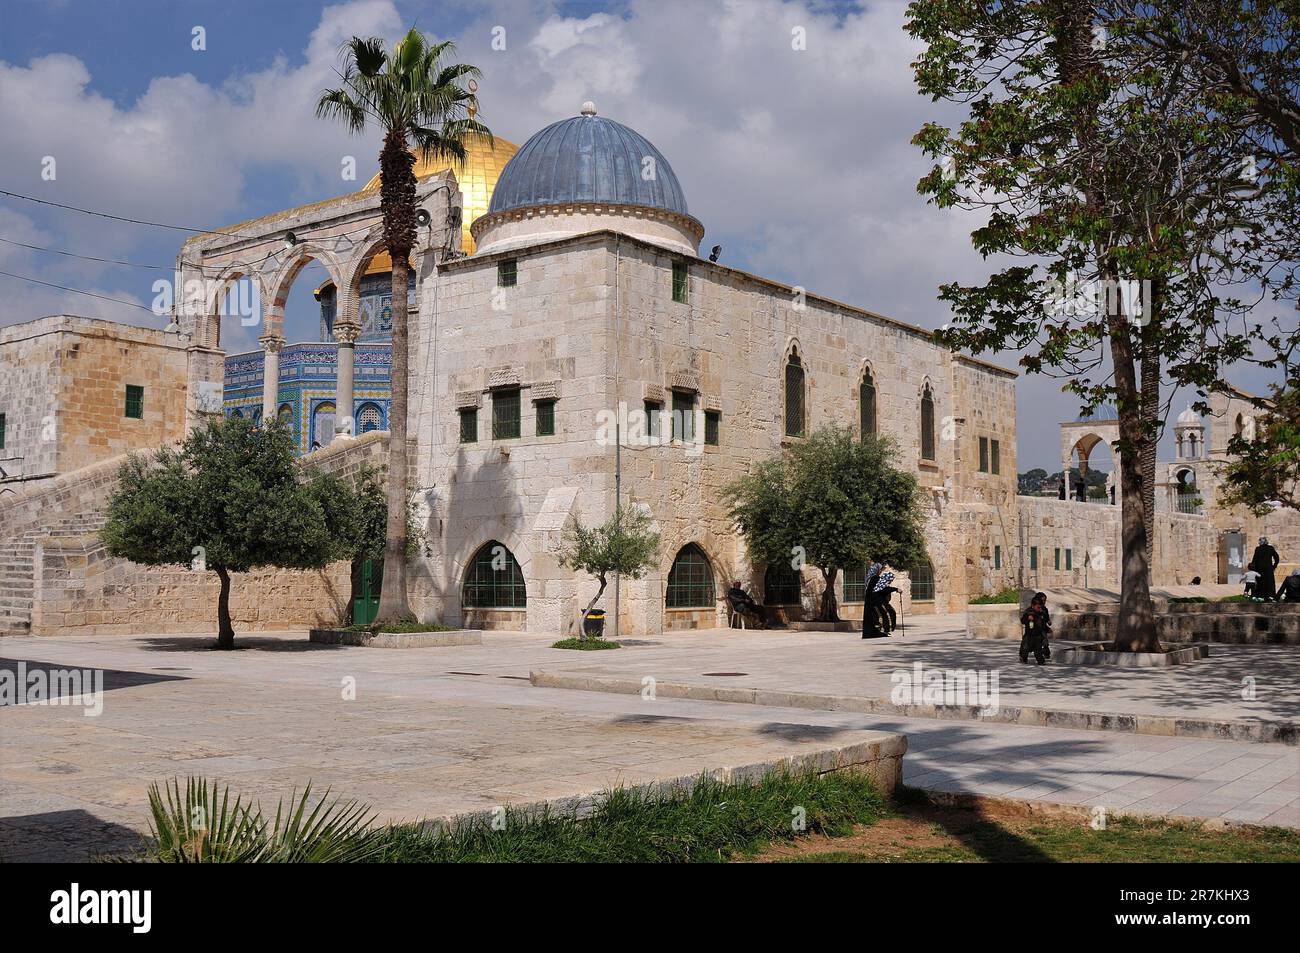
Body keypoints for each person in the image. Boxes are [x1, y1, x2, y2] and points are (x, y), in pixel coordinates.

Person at [1020, 591, 1051, 665]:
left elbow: (1042, 624)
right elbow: (1022, 620)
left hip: (1038, 635)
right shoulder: (1029, 612)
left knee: (1038, 650)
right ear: (1033, 606)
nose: (1040, 609)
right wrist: (1028, 618)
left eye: (1040, 607)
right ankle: (1023, 658)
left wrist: (1047, 629)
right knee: (1026, 648)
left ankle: (1041, 660)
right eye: (1038, 607)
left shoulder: (1042, 612)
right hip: (1029, 635)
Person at [861, 561, 888, 639]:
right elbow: (881, 589)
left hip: (869, 601)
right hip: (873, 602)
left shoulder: (870, 578)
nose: (880, 572)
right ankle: (874, 633)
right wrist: (895, 589)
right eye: (880, 570)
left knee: (871, 617)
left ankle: (871, 633)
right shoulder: (876, 578)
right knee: (877, 615)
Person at [870, 568, 899, 635]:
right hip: (879, 603)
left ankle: (886, 628)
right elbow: (885, 589)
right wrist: (896, 589)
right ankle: (885, 629)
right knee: (886, 614)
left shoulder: (881, 584)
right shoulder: (880, 585)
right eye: (890, 579)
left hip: (881, 603)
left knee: (890, 612)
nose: (891, 581)